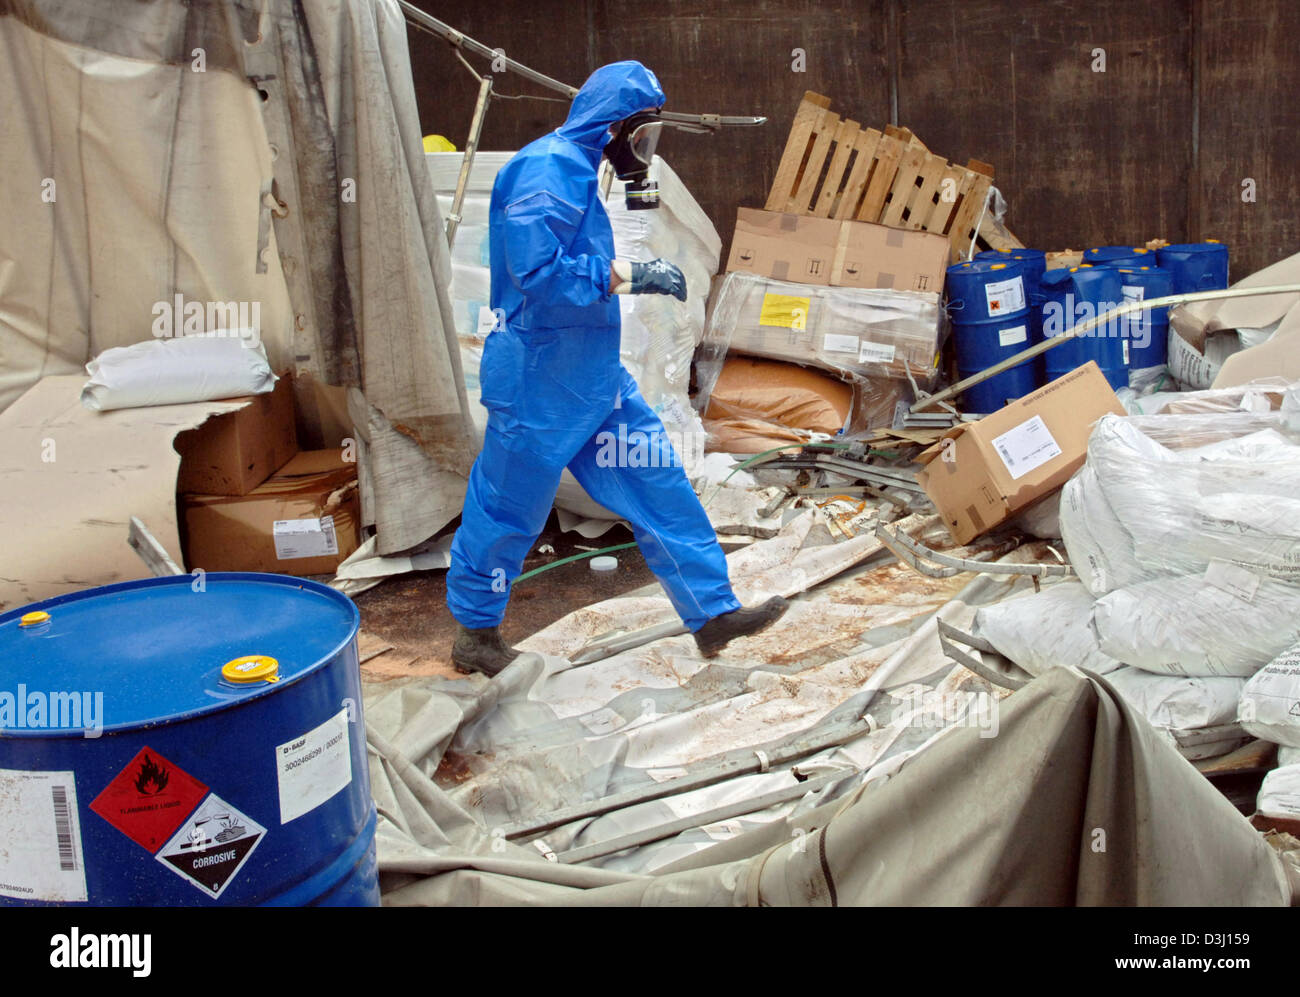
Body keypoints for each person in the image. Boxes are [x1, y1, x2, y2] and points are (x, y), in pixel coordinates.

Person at [445, 60, 788, 676]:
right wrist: (637, 274)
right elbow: (539, 276)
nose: (646, 154)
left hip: (595, 379)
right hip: (536, 380)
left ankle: (712, 615)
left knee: (659, 484)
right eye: (643, 138)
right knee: (507, 510)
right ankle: (476, 632)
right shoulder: (547, 170)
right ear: (611, 128)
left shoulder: (583, 171)